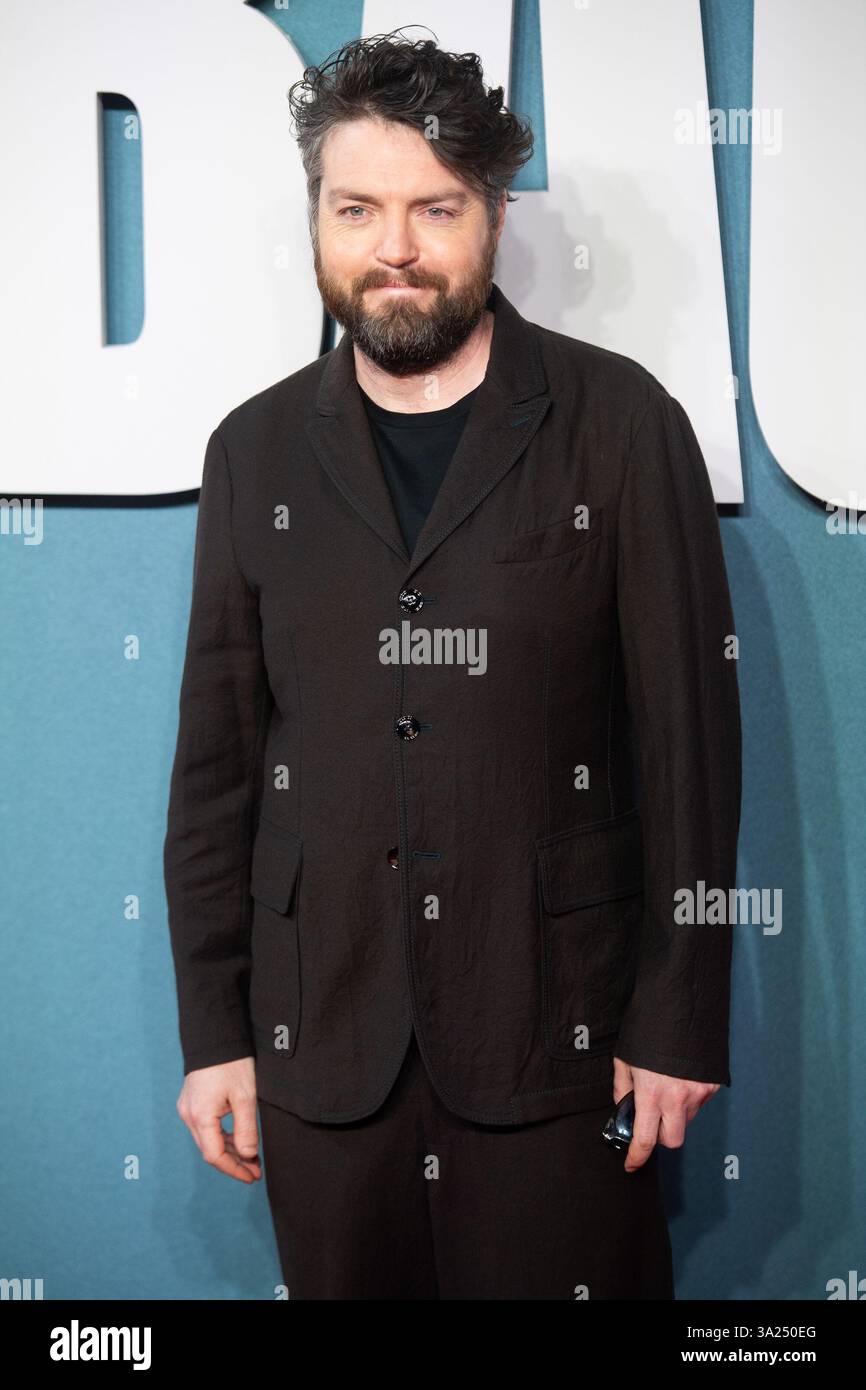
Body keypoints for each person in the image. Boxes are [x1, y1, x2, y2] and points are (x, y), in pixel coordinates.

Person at [163, 31, 742, 1300]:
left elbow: (687, 751)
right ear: (317, 218)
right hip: (320, 1040)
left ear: (491, 218)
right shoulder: (252, 453)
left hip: (560, 1036)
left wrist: (677, 1018)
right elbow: (215, 771)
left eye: (435, 207)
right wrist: (214, 1032)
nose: (394, 247)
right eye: (355, 207)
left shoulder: (622, 424)